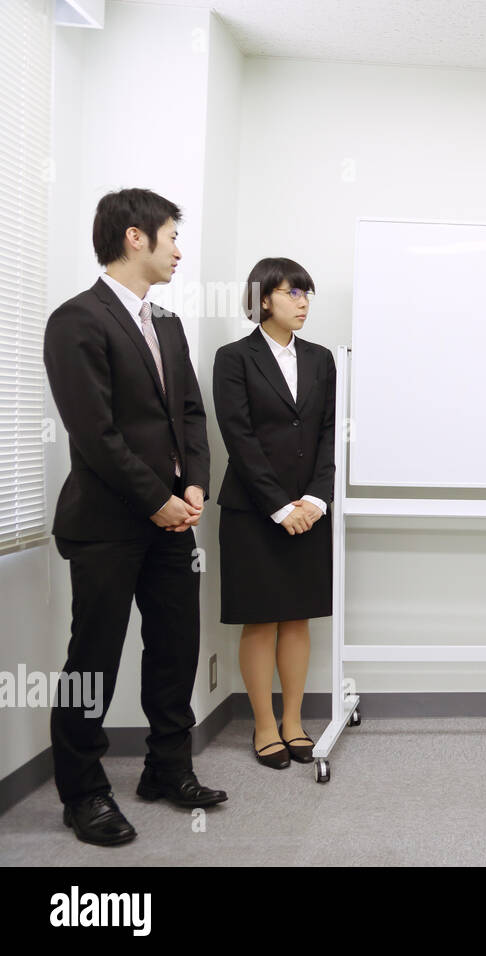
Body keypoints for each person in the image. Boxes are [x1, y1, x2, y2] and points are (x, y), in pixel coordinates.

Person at [44, 188, 227, 847]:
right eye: (172, 236)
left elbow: (190, 417)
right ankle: (84, 794)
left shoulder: (169, 325)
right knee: (93, 657)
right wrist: (158, 498)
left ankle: (167, 769)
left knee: (174, 646)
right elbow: (95, 434)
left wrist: (197, 485)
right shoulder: (76, 321)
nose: (179, 249)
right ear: (134, 237)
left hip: (174, 521)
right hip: (107, 524)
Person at [213, 258, 335, 769]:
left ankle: (293, 721)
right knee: (261, 621)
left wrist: (315, 499)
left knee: (297, 618)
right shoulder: (234, 358)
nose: (303, 302)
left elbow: (330, 432)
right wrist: (280, 506)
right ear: (264, 298)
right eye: (292, 293)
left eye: (307, 293)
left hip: (310, 510)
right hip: (253, 511)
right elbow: (237, 438)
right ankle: (264, 725)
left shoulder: (322, 358)